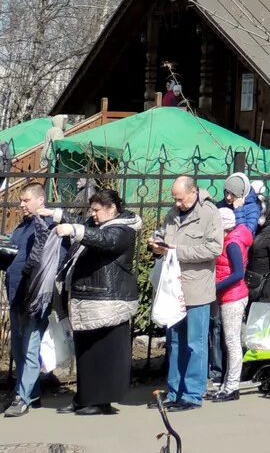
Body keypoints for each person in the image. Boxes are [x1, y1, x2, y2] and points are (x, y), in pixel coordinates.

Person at [54, 188, 139, 415]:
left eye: (97, 210)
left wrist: (74, 229)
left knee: (105, 353)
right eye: (92, 209)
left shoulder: (123, 230)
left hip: (108, 301)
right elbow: (85, 226)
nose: (93, 214)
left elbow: (105, 240)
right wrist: (55, 214)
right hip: (88, 298)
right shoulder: (98, 224)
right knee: (86, 353)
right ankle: (84, 397)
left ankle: (101, 401)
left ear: (112, 209)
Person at [152, 175, 224, 411]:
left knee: (195, 343)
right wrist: (158, 245)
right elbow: (164, 235)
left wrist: (178, 251)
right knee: (174, 342)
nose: (177, 204)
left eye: (181, 199)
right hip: (173, 287)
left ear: (193, 193)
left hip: (197, 289)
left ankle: (192, 394)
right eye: (174, 199)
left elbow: (215, 248)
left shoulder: (209, 213)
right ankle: (174, 392)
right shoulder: (173, 214)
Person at [0, 183, 53, 418]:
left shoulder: (47, 226)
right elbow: (13, 256)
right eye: (20, 201)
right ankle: (32, 393)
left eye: (26, 200)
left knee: (30, 348)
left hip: (34, 298)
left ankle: (23, 398)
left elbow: (47, 261)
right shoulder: (22, 227)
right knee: (19, 350)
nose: (21, 204)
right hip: (16, 295)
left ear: (40, 201)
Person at [209, 206, 252, 402]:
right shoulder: (229, 240)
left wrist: (216, 287)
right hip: (228, 295)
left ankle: (232, 386)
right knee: (229, 341)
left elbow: (237, 274)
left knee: (232, 342)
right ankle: (227, 384)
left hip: (233, 297)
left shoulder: (232, 243)